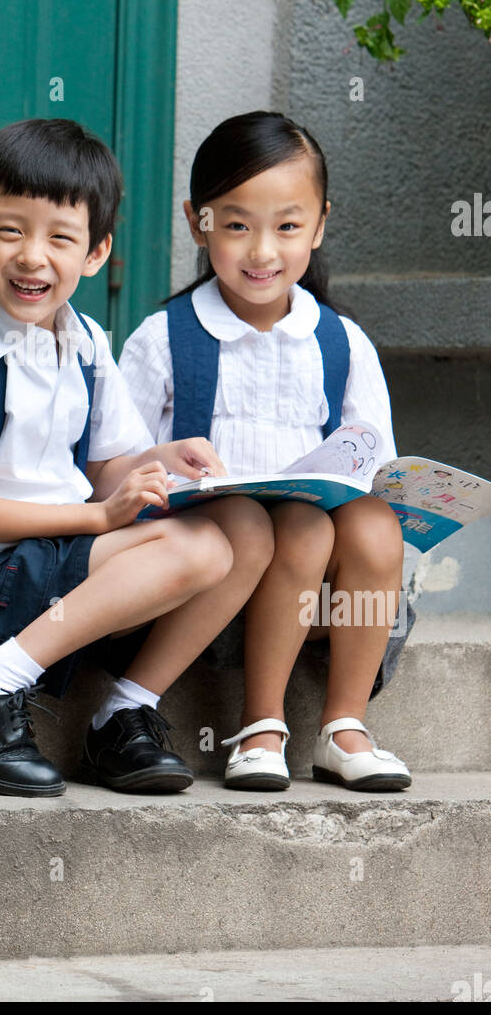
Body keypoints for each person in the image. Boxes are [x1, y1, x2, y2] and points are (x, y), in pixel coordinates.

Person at [0, 117, 274, 798]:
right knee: (198, 553)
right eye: (11, 231)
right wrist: (99, 519)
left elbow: (107, 472)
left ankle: (123, 714)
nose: (33, 257)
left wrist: (166, 459)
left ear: (96, 253)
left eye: (61, 238)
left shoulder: (86, 340)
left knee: (247, 528)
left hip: (54, 555)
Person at [119, 110, 412, 792]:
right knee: (301, 526)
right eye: (237, 225)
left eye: (286, 225)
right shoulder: (163, 340)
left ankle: (344, 726)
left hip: (325, 598)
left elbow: (376, 464)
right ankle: (261, 724)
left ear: (318, 224)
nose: (262, 252)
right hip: (216, 583)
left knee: (370, 519)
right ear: (199, 222)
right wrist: (166, 466)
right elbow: (117, 468)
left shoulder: (342, 343)